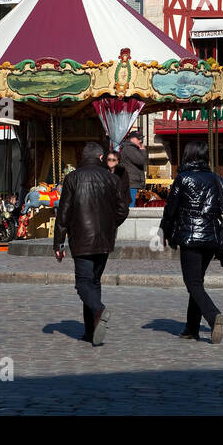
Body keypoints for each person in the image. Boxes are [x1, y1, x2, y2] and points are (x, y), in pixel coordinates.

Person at [54, 142, 131, 345]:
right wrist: (110, 225)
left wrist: (59, 243)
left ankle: (99, 310)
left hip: (81, 239)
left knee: (83, 284)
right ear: (100, 158)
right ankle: (91, 330)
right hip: (104, 239)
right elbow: (123, 209)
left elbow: (63, 213)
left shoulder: (73, 178)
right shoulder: (112, 179)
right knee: (93, 283)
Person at [160, 140, 223, 344]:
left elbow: (171, 209)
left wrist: (164, 230)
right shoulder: (217, 178)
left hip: (190, 236)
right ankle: (191, 328)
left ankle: (213, 314)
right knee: (196, 282)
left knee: (192, 283)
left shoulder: (183, 178)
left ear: (188, 155)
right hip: (211, 237)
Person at [120, 130, 147, 203]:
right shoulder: (129, 148)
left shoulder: (132, 148)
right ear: (132, 139)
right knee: (130, 206)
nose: (140, 141)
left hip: (132, 182)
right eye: (138, 139)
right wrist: (143, 150)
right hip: (131, 183)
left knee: (131, 205)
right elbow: (140, 161)